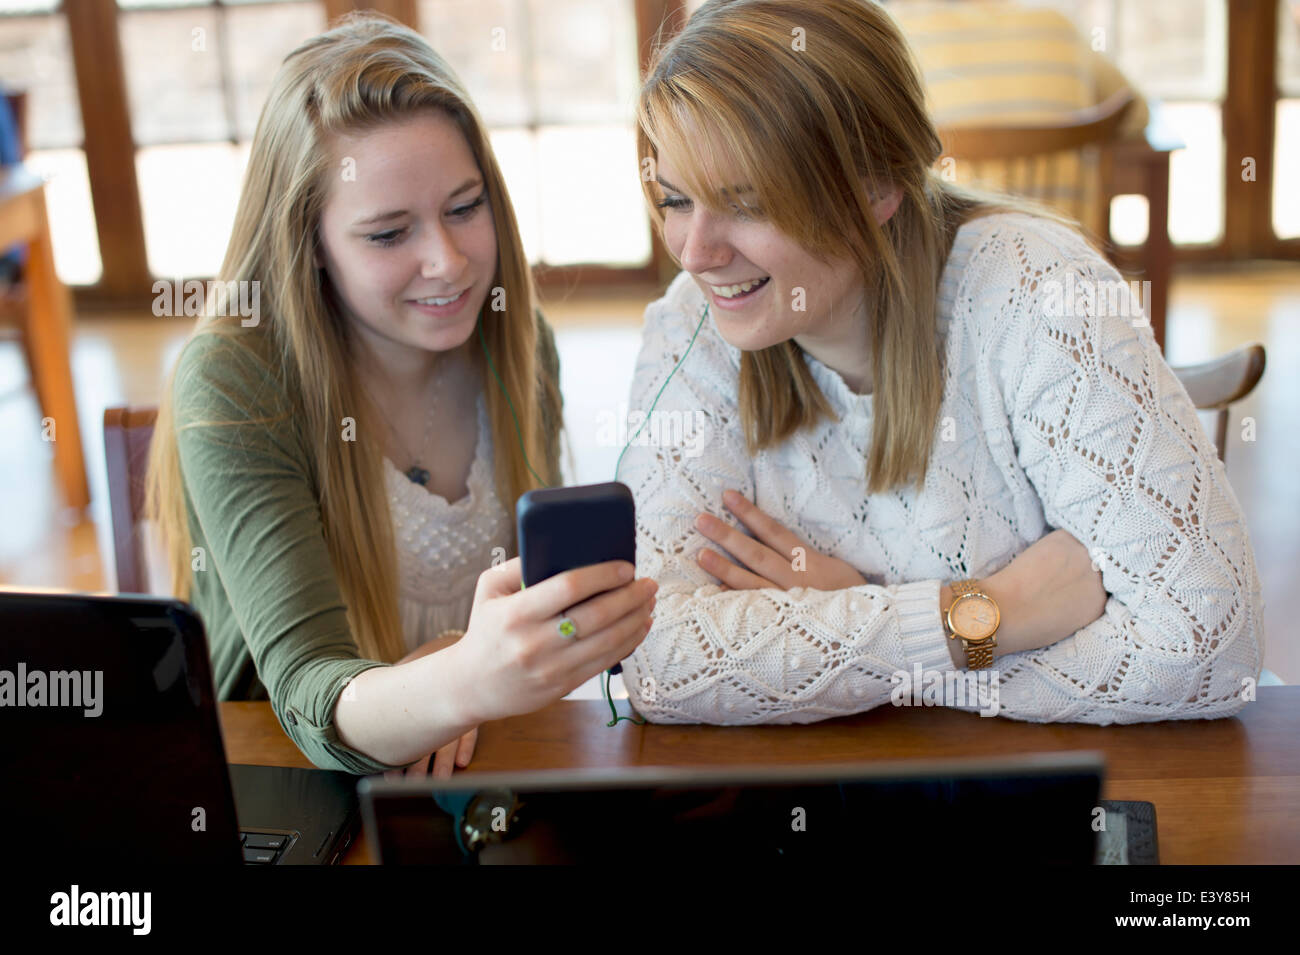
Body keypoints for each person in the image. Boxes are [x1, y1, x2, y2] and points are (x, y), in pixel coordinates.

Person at [617, 0, 1264, 724]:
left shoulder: (1037, 289)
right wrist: (984, 616)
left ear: (877, 188)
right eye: (675, 199)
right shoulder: (691, 323)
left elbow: (1212, 649)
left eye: (746, 202)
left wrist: (843, 631)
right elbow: (656, 662)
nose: (696, 253)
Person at [145, 12, 655, 776]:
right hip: (295, 783)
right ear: (307, 243)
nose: (447, 262)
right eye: (389, 235)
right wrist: (462, 680)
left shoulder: (516, 340)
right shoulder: (235, 381)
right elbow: (307, 693)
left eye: (464, 207)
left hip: (480, 765)